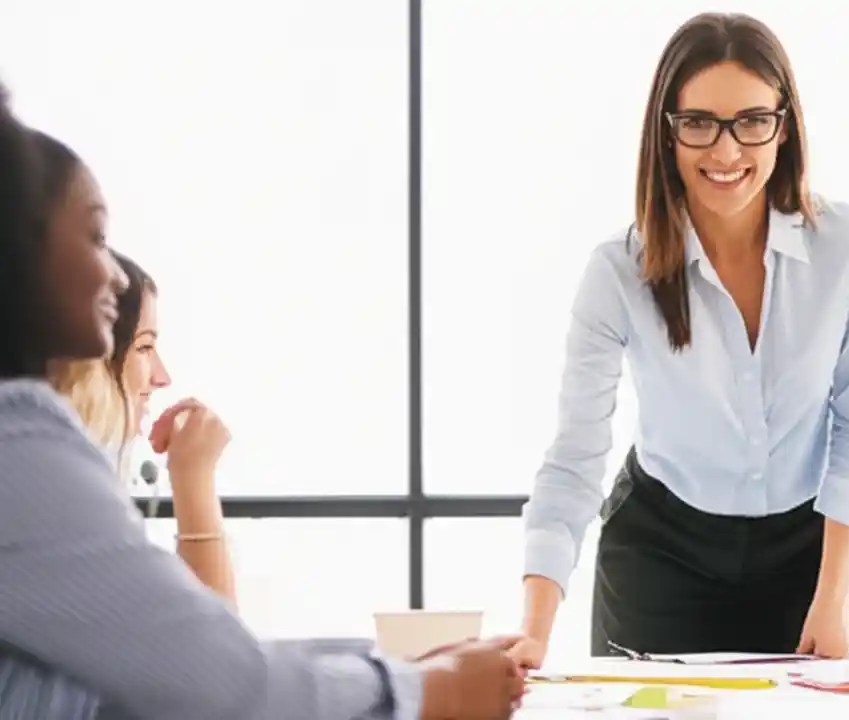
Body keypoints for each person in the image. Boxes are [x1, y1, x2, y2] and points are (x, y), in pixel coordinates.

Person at [0, 100, 522, 718]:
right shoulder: (19, 448)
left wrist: (404, 672)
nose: (114, 276)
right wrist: (426, 688)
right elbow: (216, 678)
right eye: (95, 236)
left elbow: (207, 656)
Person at [514, 11, 849, 666]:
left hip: (813, 552)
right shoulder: (617, 271)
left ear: (784, 123)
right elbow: (575, 457)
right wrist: (534, 634)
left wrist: (834, 594)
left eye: (751, 121)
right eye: (698, 124)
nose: (726, 151)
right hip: (662, 552)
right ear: (667, 133)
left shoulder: (847, 245)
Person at [48, 249, 237, 605]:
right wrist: (194, 479)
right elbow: (212, 655)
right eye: (144, 347)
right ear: (89, 364)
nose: (161, 377)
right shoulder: (67, 514)